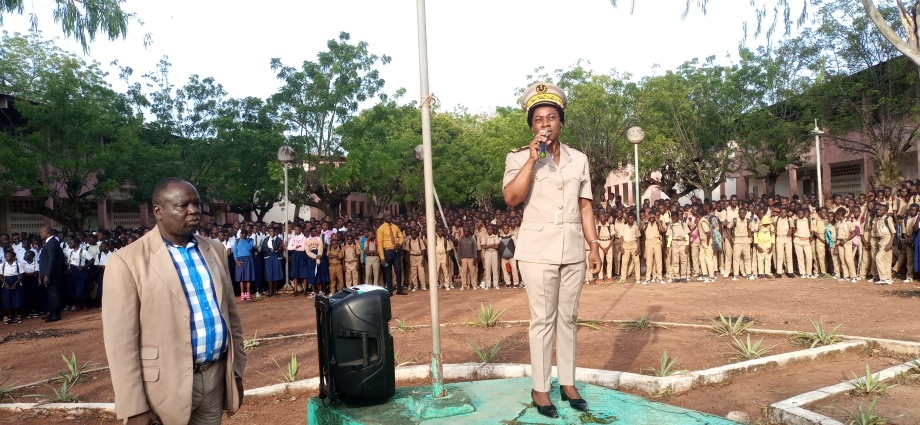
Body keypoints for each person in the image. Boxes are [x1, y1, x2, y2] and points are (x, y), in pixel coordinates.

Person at [102, 177, 246, 425]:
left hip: (215, 379)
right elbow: (120, 343)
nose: (194, 211)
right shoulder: (127, 261)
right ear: (158, 211)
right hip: (162, 389)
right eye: (183, 205)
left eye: (197, 204)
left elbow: (231, 316)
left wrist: (236, 370)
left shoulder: (215, 250)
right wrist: (134, 406)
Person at [503, 82, 601, 418]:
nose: (545, 124)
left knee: (569, 318)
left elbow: (585, 205)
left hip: (573, 248)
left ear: (561, 121)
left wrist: (594, 245)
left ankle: (568, 382)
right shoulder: (518, 156)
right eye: (538, 119)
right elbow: (512, 199)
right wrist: (532, 160)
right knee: (542, 320)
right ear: (532, 125)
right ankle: (541, 388)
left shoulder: (579, 159)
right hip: (537, 250)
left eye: (551, 117)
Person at [38, 226, 65, 322]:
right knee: (50, 294)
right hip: (48, 273)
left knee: (54, 294)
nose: (40, 234)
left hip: (52, 274)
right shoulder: (49, 242)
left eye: (41, 233)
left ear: (47, 232)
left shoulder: (52, 243)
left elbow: (52, 260)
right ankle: (51, 313)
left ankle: (55, 315)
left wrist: (47, 275)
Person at [376, 211, 406, 296]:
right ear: (384, 218)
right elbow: (380, 243)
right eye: (387, 216)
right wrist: (382, 257)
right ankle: (389, 291)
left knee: (398, 270)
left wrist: (399, 243)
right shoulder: (380, 229)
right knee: (387, 271)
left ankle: (399, 289)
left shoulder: (395, 227)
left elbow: (401, 237)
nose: (389, 217)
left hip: (396, 252)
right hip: (386, 253)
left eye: (390, 215)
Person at [233, 228, 256, 302]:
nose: (242, 235)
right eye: (241, 234)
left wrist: (245, 240)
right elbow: (234, 251)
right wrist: (236, 260)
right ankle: (242, 294)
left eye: (243, 234)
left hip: (248, 259)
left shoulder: (250, 240)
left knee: (248, 278)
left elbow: (249, 248)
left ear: (246, 235)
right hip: (240, 259)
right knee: (241, 278)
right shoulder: (237, 241)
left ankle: (248, 293)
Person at [261, 227, 284, 297]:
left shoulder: (278, 239)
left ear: (275, 232)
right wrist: (272, 249)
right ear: (268, 232)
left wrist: (274, 248)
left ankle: (275, 291)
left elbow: (276, 246)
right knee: (269, 274)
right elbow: (263, 248)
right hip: (269, 258)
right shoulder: (266, 239)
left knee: (276, 274)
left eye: (273, 231)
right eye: (270, 231)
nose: (272, 233)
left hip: (276, 257)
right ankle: (270, 291)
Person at [2, 250, 23, 324]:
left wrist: (15, 284)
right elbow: (1, 276)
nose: (7, 258)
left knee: (16, 299)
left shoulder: (17, 265)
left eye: (9, 256)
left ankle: (16, 316)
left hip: (15, 282)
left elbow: (21, 275)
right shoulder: (3, 265)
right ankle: (9, 317)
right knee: (7, 300)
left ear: (13, 257)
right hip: (7, 283)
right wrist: (6, 284)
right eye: (6, 256)